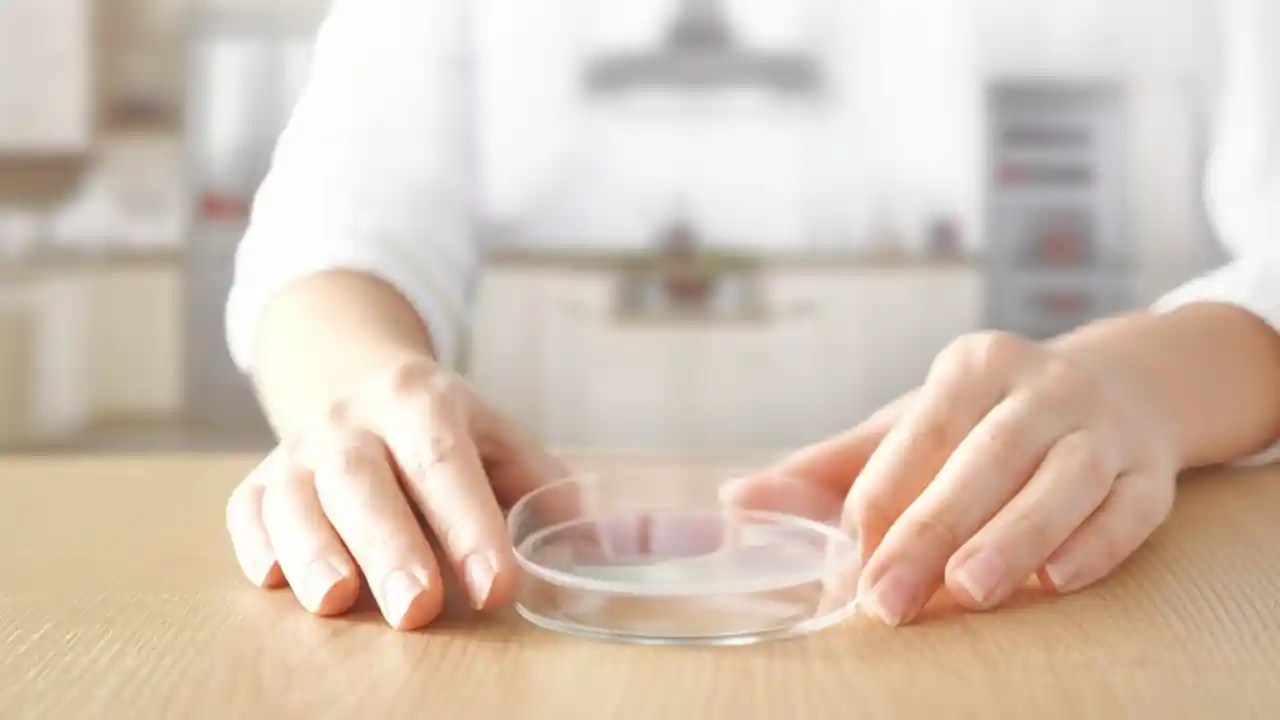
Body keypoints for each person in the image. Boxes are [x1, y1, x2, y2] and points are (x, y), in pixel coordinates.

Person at [223, 0, 1280, 631]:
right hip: (525, 639)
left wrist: (1146, 385)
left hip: (1067, 615)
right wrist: (360, 391)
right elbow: (332, 227)